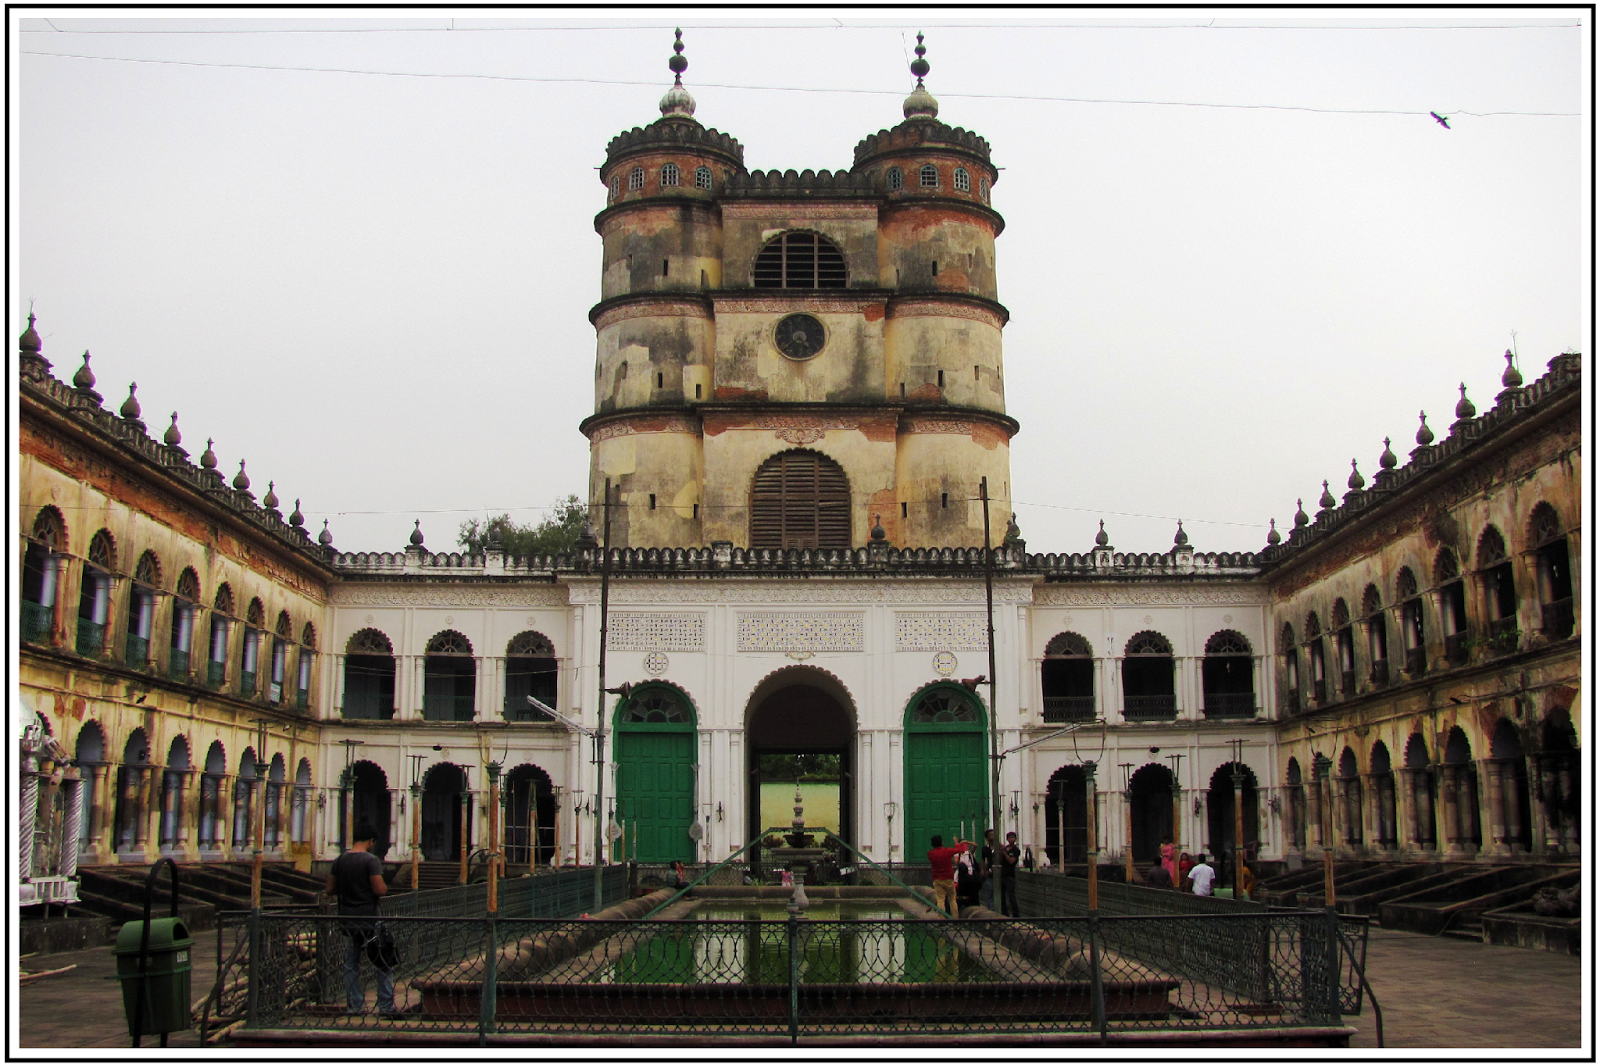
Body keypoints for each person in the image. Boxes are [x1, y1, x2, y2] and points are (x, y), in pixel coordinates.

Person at [325, 820, 395, 1015]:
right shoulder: (370, 860)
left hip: (347, 918)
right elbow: (379, 889)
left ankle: (355, 1005)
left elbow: (329, 889)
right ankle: (386, 1006)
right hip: (370, 918)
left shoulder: (339, 860)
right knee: (383, 961)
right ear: (371, 841)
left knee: (351, 963)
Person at [926, 834, 970, 917]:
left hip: (937, 878)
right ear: (941, 842)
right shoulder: (947, 851)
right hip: (948, 877)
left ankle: (941, 918)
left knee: (940, 899)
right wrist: (956, 842)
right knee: (952, 899)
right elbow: (959, 850)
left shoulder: (930, 854)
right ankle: (955, 917)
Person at [998, 831, 1022, 916]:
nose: (1011, 839)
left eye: (1013, 837)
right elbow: (1000, 861)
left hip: (1010, 875)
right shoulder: (1005, 848)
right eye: (1010, 837)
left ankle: (1016, 915)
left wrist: (1005, 853)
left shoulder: (1016, 850)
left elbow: (1011, 861)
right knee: (1002, 896)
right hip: (1003, 874)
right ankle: (1005, 913)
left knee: (1011, 896)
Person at [979, 829, 997, 911]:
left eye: (994, 834)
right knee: (990, 891)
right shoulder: (985, 848)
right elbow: (983, 859)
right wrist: (983, 869)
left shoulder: (999, 847)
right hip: (990, 873)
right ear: (987, 838)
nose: (993, 837)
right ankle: (990, 909)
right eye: (991, 835)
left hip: (999, 873)